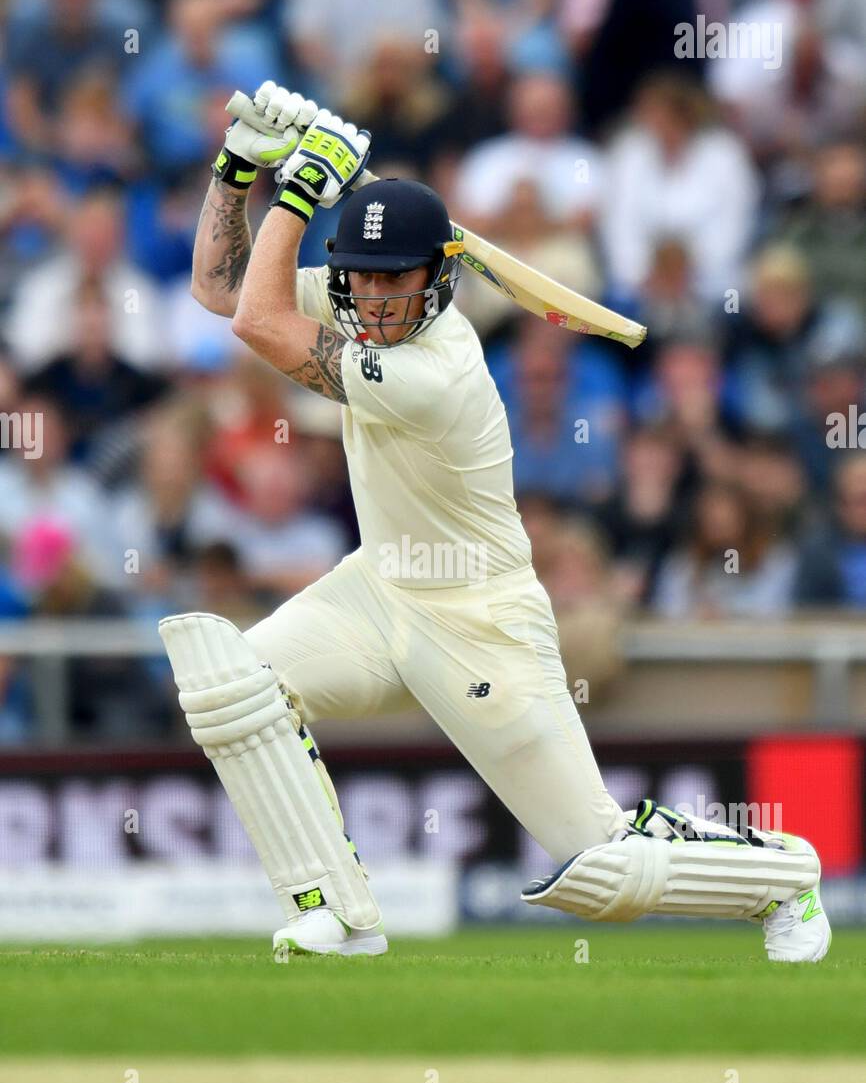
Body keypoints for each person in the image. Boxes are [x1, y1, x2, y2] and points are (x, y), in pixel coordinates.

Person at [159, 80, 830, 964]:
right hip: (377, 589)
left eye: (394, 279)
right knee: (230, 688)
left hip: (480, 619)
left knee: (600, 870)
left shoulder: (436, 374)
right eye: (358, 277)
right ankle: (339, 912)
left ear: (438, 279)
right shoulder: (367, 310)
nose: (372, 298)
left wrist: (299, 183)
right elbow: (225, 291)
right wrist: (241, 160)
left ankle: (783, 872)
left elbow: (258, 324)